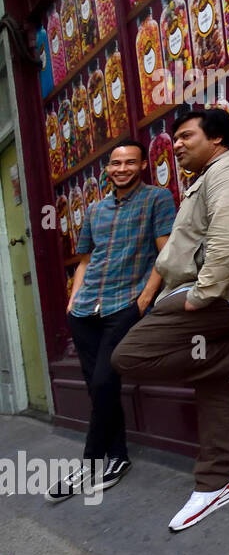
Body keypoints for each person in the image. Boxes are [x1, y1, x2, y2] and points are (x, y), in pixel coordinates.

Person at [111, 107, 229, 532]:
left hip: (218, 299)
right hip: (205, 299)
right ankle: (214, 483)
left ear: (216, 139)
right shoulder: (207, 178)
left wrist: (201, 296)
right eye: (176, 138)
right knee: (209, 375)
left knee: (127, 357)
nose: (177, 145)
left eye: (186, 136)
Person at [47, 141, 175, 502]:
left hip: (125, 303)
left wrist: (146, 298)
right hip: (86, 310)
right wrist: (73, 300)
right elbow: (85, 259)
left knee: (104, 380)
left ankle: (88, 464)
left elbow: (165, 252)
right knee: (98, 388)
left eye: (130, 162)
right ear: (108, 168)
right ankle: (117, 457)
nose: (122, 168)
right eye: (116, 163)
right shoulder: (94, 210)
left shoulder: (157, 200)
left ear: (142, 166)